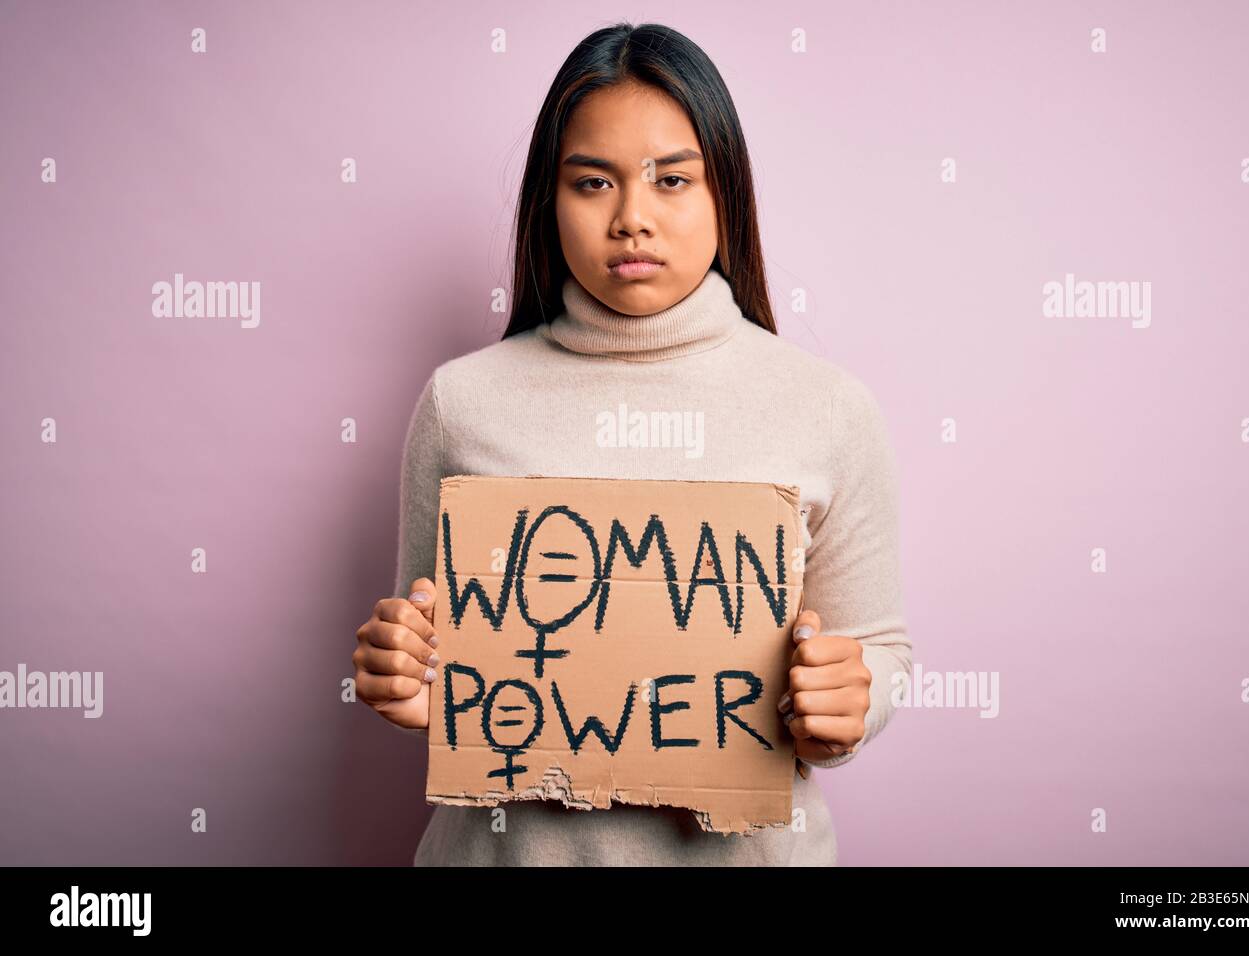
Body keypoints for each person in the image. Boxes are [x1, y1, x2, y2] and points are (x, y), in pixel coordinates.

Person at [352, 21, 911, 866]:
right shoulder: (461, 402)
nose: (632, 219)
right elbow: (430, 652)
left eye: (672, 180)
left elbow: (881, 650)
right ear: (550, 200)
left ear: (726, 194)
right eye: (592, 182)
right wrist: (403, 672)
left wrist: (850, 703)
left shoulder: (828, 408)